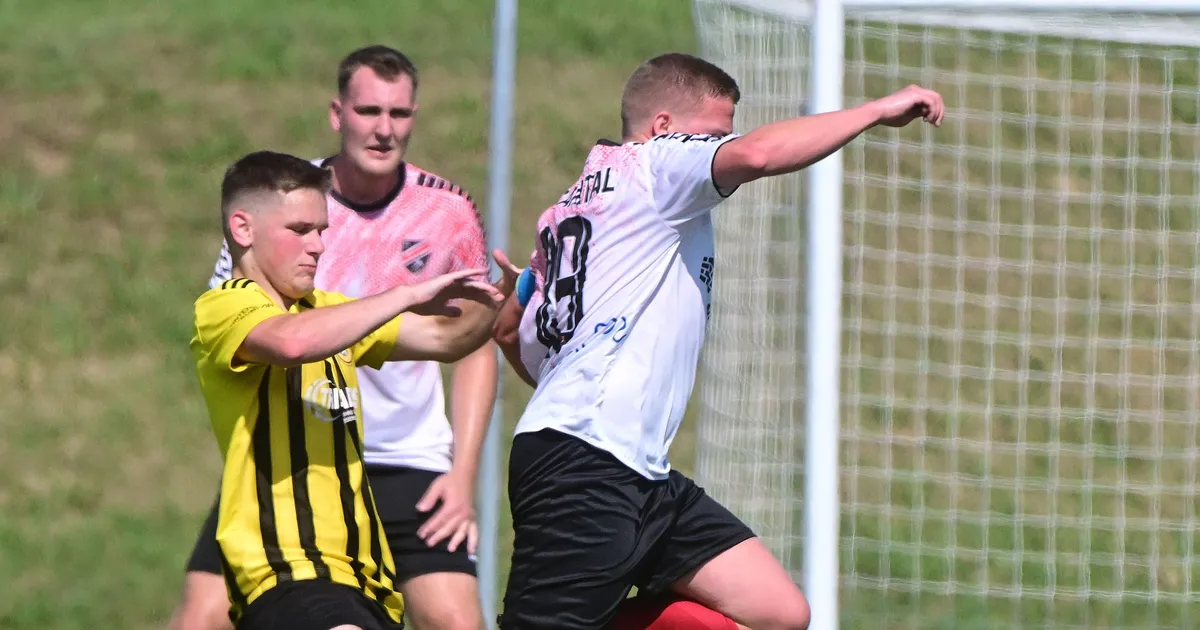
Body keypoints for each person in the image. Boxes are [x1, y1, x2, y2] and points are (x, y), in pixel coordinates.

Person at [491, 52, 944, 630]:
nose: (718, 152)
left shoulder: (576, 206)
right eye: (710, 137)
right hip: (585, 464)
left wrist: (538, 303)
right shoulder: (655, 166)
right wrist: (877, 109)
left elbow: (510, 333)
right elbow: (756, 154)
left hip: (635, 468)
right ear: (660, 128)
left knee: (777, 612)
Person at [170, 45, 495, 630]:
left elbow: (453, 342)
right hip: (280, 516)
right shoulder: (236, 289)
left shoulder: (440, 215)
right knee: (200, 615)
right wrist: (400, 294)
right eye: (369, 110)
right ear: (337, 113)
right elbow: (286, 338)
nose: (319, 244)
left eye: (399, 114)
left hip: (383, 498)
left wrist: (514, 299)